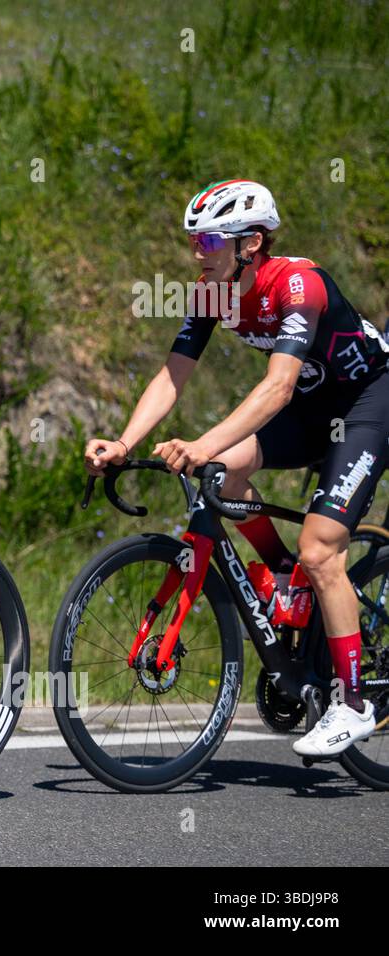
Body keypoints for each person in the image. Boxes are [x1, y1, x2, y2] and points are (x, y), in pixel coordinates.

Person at [85, 178, 389, 757]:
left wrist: (199, 442)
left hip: (368, 403)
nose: (197, 255)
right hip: (311, 406)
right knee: (221, 474)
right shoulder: (211, 293)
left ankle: (353, 703)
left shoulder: (298, 284)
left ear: (250, 243)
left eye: (208, 243)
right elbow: (173, 375)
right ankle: (281, 575)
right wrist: (125, 441)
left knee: (322, 547)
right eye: (194, 243)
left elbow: (276, 387)